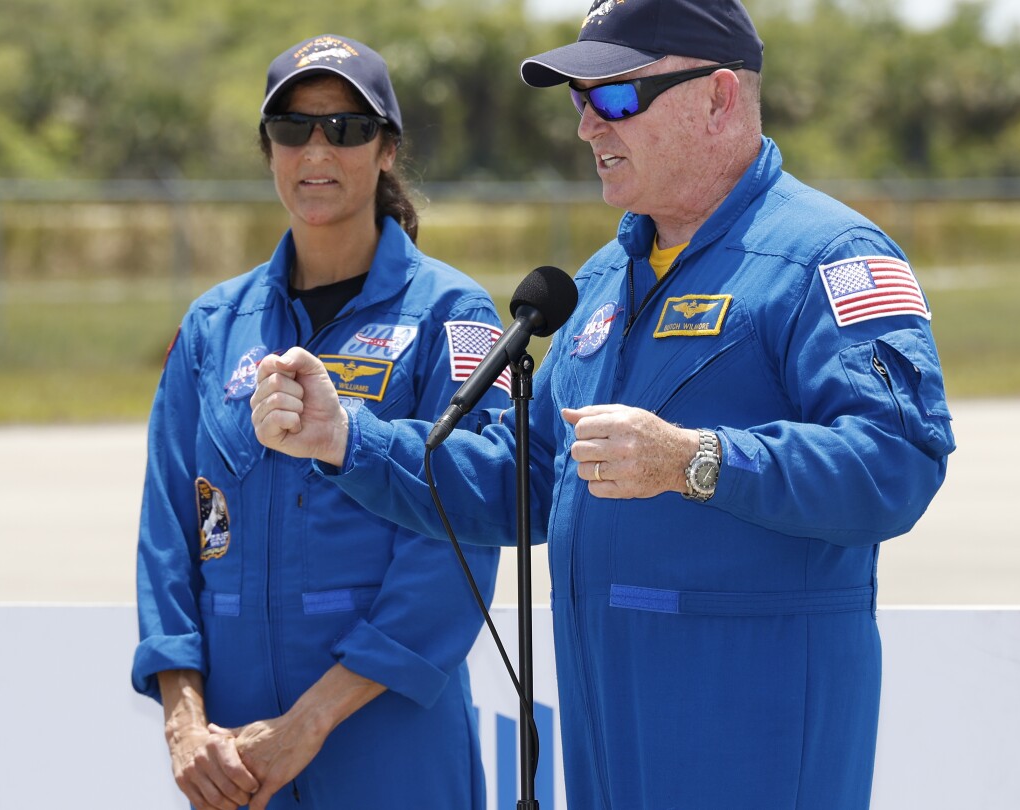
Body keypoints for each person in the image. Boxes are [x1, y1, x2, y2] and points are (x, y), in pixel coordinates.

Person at [252, 2, 956, 808]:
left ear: (719, 97)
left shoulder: (829, 258)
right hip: (605, 749)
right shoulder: (594, 284)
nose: (589, 127)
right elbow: (526, 479)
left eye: (615, 96)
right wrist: (344, 436)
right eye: (578, 100)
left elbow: (898, 459)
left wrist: (695, 460)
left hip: (752, 743)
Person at [131, 34, 507, 810]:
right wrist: (185, 721)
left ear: (387, 150)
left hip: (386, 733)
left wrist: (309, 723)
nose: (317, 150)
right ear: (268, 149)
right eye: (293, 128)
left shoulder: (452, 317)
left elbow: (458, 538)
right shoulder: (212, 324)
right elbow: (169, 528)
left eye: (347, 127)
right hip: (233, 759)